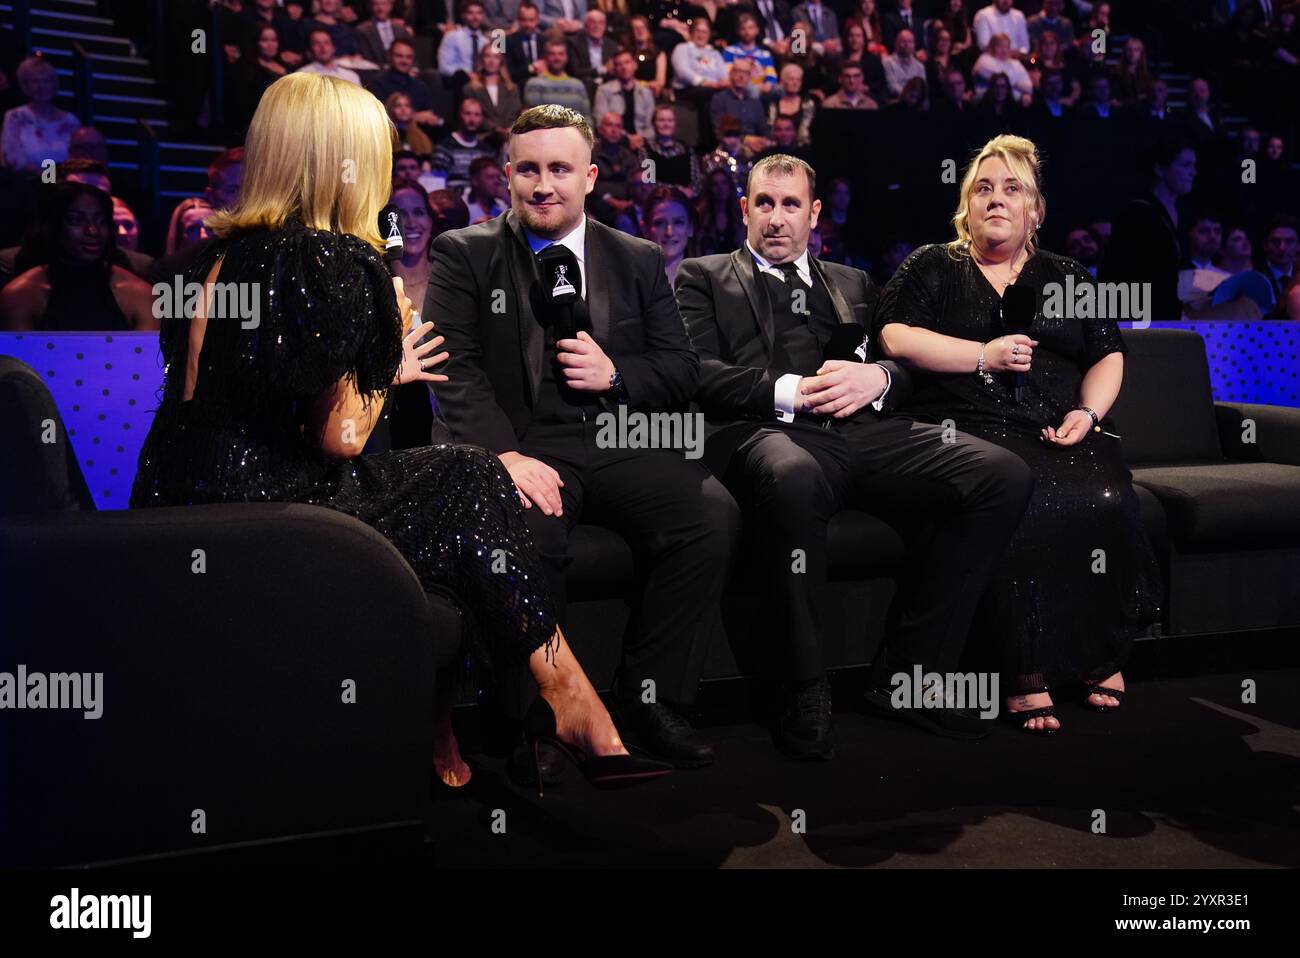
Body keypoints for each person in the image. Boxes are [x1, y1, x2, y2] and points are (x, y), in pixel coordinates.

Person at [130, 73, 665, 793]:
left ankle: (493, 717)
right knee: (470, 473)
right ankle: (568, 702)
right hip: (272, 510)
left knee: (449, 491)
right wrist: (392, 367)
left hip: (171, 502)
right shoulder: (331, 259)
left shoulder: (208, 258)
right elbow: (343, 436)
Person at [676, 152, 1035, 757]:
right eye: (764, 203)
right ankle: (805, 687)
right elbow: (693, 373)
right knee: (793, 477)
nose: (776, 218)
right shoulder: (703, 275)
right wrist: (789, 391)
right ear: (744, 210)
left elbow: (903, 366)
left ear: (814, 214)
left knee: (1002, 474)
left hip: (865, 430)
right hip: (767, 430)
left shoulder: (852, 282)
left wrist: (882, 381)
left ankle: (911, 674)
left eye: (791, 205)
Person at [425, 104, 740, 770]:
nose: (544, 184)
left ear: (590, 176)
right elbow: (452, 365)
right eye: (530, 169)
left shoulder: (636, 257)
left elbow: (681, 367)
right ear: (507, 176)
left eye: (560, 169)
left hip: (612, 440)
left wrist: (616, 372)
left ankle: (653, 696)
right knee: (528, 529)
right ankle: (529, 721)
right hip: (518, 443)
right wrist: (503, 456)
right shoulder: (465, 252)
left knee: (711, 513)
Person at [877, 134, 1163, 733]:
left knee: (1107, 496)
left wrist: (1087, 414)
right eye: (984, 188)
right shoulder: (935, 264)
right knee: (1019, 497)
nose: (997, 200)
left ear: (1035, 209)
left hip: (1058, 424)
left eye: (1013, 189)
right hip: (969, 427)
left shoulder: (1066, 274)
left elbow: (1108, 352)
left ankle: (1097, 653)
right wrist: (984, 353)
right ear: (966, 204)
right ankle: (1023, 672)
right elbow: (897, 338)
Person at [0, 181, 156, 331]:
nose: (93, 231)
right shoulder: (20, 294)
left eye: (101, 221)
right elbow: (19, 357)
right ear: (53, 225)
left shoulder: (139, 292)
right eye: (76, 220)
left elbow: (149, 355)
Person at [1101, 136, 1197, 322]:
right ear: (1160, 168)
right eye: (1185, 165)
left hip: (1169, 317)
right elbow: (1123, 274)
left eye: (1193, 165)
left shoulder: (1183, 213)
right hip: (1141, 321)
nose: (1193, 172)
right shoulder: (1138, 213)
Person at [0, 57, 80, 172]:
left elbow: (79, 159)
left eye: (47, 81)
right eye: (36, 82)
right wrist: (48, 178)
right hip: (27, 185)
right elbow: (12, 159)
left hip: (67, 186)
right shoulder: (15, 117)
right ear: (26, 86)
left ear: (54, 85)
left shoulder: (71, 121)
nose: (42, 86)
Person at [462, 47, 524, 142]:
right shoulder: (471, 88)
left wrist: (509, 129)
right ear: (482, 60)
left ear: (501, 61)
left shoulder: (512, 88)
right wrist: (495, 129)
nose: (491, 61)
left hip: (509, 136)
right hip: (484, 137)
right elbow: (471, 115)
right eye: (487, 56)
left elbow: (515, 113)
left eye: (496, 57)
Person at [642, 185, 695, 286]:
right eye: (659, 223)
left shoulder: (706, 282)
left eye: (678, 222)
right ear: (645, 229)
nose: (669, 232)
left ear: (690, 228)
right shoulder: (633, 282)